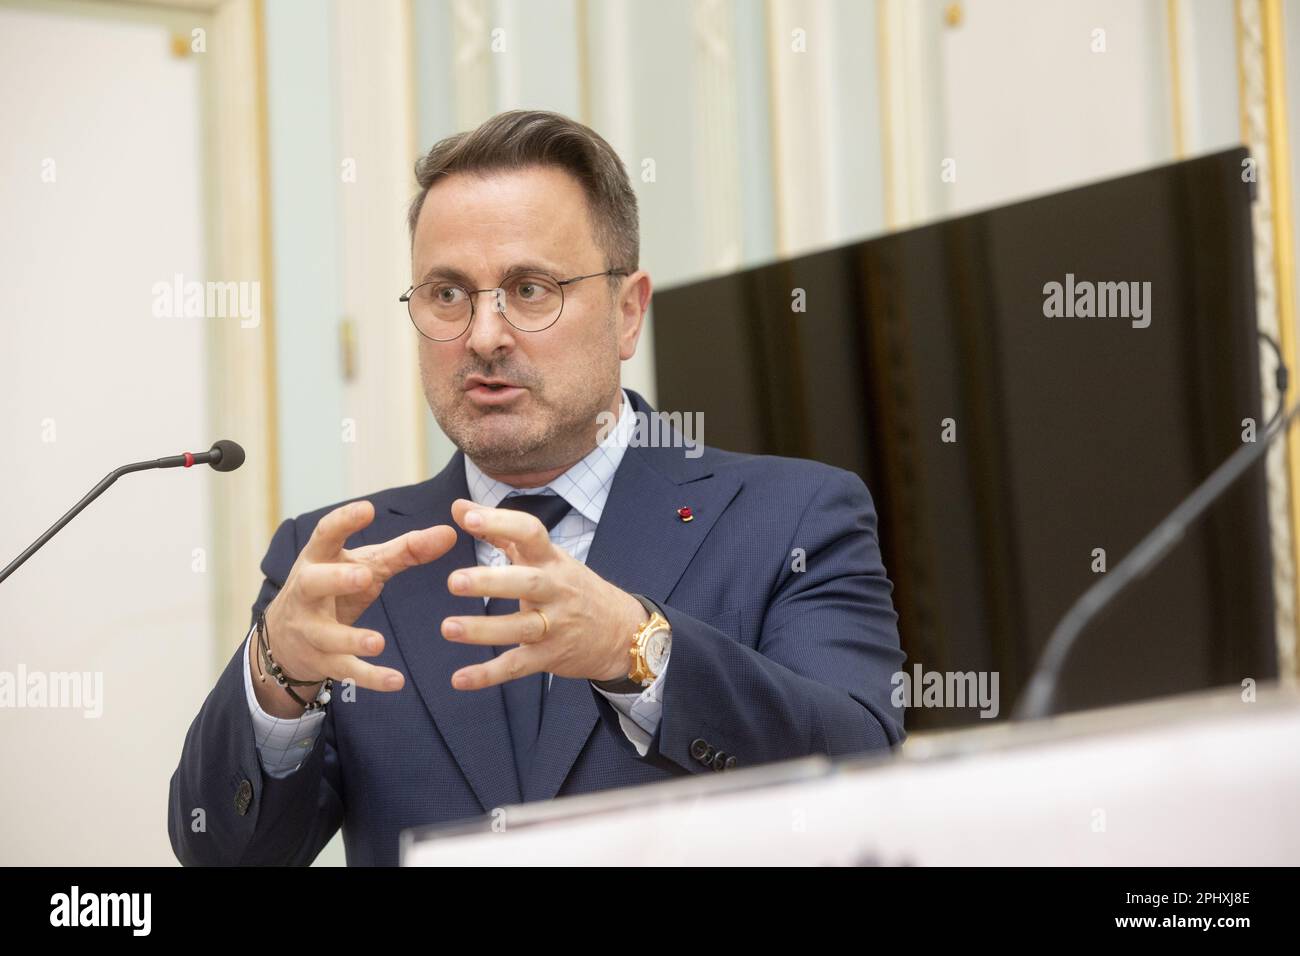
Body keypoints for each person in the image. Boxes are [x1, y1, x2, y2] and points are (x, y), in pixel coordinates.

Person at [168, 110, 905, 866]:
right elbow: (222, 853)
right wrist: (276, 674)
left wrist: (635, 646)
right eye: (448, 294)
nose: (484, 335)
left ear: (627, 311)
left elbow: (863, 777)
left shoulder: (792, 518)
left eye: (529, 289)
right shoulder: (343, 560)